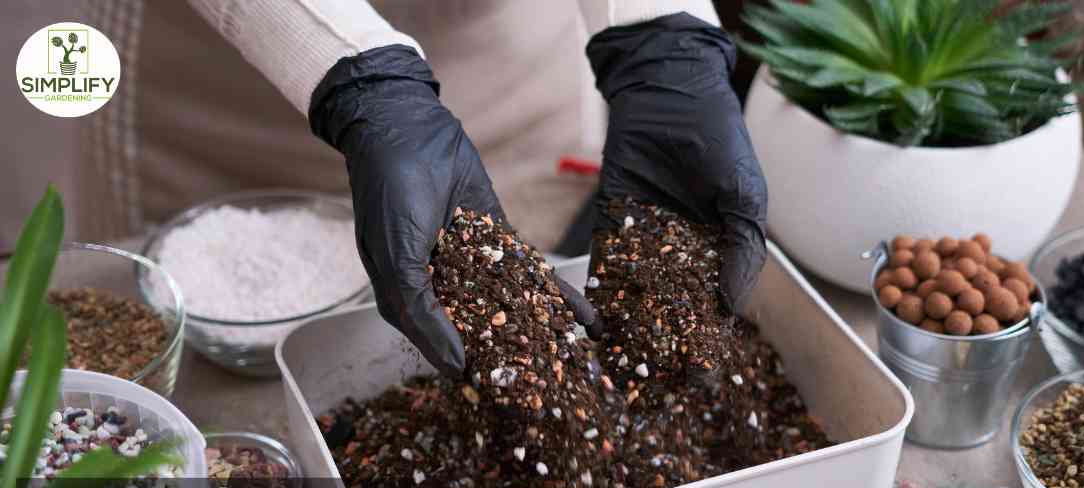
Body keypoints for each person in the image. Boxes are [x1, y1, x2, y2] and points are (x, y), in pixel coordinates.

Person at [3, 1, 767, 376]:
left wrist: (657, 32)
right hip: (236, 82)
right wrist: (356, 76)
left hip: (506, 49)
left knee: (506, 295)